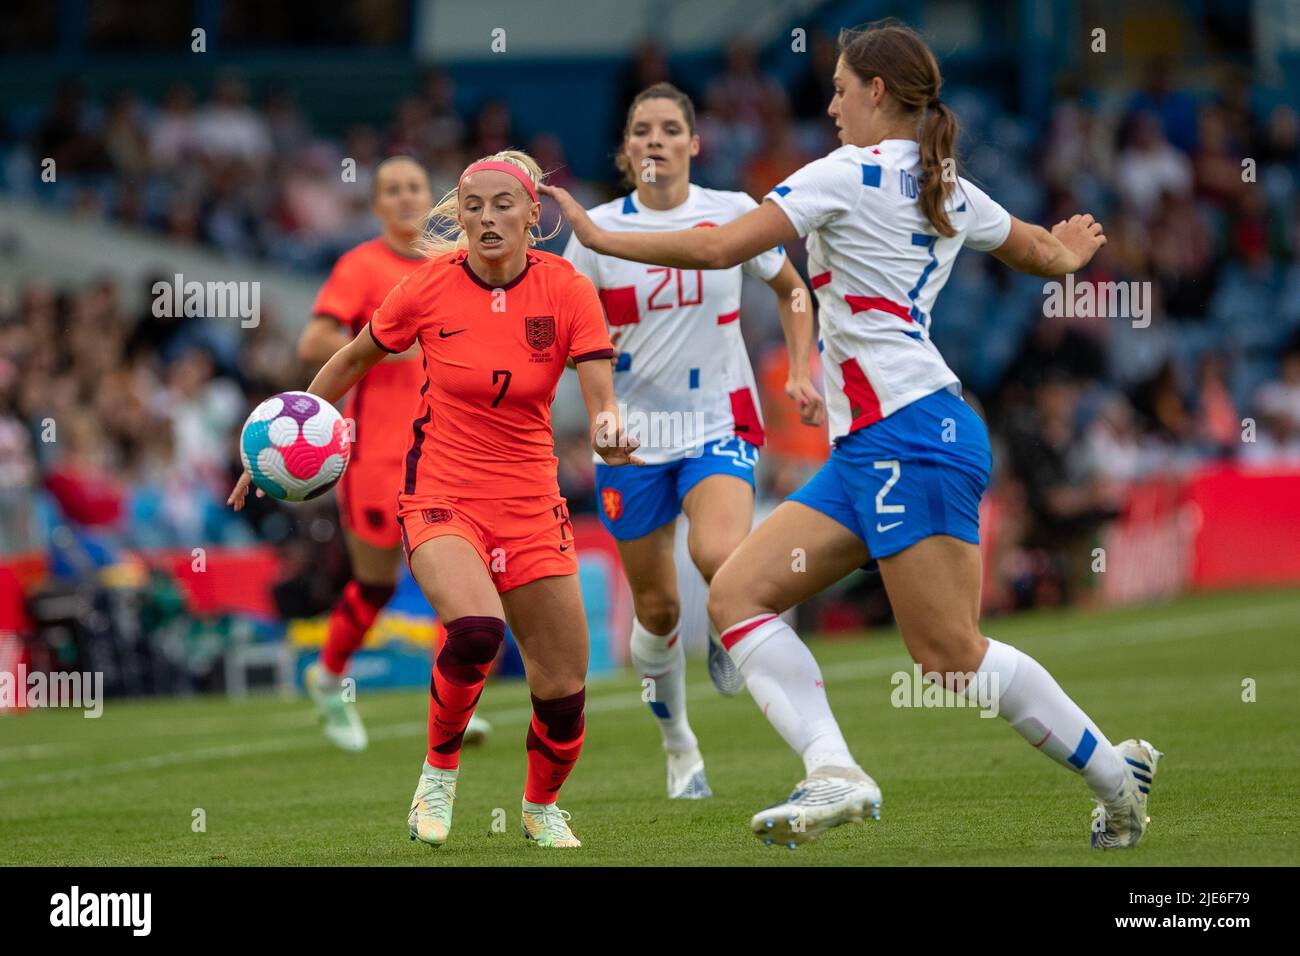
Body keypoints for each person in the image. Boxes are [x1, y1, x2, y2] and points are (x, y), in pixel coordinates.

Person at [543, 20, 1161, 850]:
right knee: (736, 595)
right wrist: (1072, 253)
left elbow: (723, 242)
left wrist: (599, 235)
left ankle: (1118, 780)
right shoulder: (949, 185)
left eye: (839, 89)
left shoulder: (846, 173)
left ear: (877, 92)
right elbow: (1042, 254)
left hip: (913, 435)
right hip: (879, 444)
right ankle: (834, 769)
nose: (829, 105)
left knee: (947, 656)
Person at [232, 150, 640, 849]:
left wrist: (608, 431)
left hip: (533, 499)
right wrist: (273, 437)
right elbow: (354, 356)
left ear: (531, 215)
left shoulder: (567, 288)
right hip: (442, 493)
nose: (485, 217)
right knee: (476, 629)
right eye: (472, 205)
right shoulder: (426, 286)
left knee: (563, 688)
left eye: (501, 205)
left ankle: (540, 808)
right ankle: (438, 775)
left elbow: (601, 396)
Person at [563, 83, 822, 799]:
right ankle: (680, 747)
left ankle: (734, 627)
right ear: (625, 149)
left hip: (720, 420)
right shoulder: (594, 235)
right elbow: (575, 345)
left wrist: (800, 366)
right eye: (641, 128)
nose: (655, 140)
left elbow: (795, 290)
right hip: (633, 441)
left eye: (670, 128)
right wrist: (604, 412)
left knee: (719, 557)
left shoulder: (733, 213)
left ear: (693, 143)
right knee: (657, 610)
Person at [296, 156, 491, 753]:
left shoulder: (457, 267)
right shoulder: (362, 266)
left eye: (415, 187)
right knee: (376, 586)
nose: (406, 198)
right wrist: (394, 344)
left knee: (455, 580)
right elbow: (313, 341)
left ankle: (451, 706)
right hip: (377, 455)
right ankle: (329, 678)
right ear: (376, 205)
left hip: (449, 452)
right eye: (392, 190)